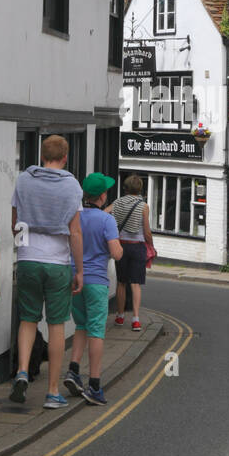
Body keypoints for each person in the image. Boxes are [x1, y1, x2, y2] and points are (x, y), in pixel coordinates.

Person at [10, 135, 84, 408]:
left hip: (28, 259)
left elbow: (15, 224)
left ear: (42, 155)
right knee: (55, 325)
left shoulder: (24, 180)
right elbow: (75, 232)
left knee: (28, 320)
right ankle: (52, 391)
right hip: (57, 263)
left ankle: (21, 372)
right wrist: (80, 270)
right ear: (65, 157)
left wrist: (23, 251)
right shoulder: (72, 186)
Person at [62, 173, 123, 405]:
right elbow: (116, 253)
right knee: (96, 330)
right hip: (96, 280)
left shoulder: (75, 216)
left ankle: (73, 370)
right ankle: (95, 385)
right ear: (103, 195)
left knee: (81, 324)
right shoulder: (107, 221)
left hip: (74, 277)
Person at [112, 175, 155, 332]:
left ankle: (120, 315)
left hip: (121, 245)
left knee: (121, 282)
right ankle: (136, 320)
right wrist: (152, 246)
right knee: (135, 284)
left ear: (125, 187)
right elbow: (147, 231)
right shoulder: (143, 206)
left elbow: (104, 212)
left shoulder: (117, 202)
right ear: (140, 189)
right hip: (137, 247)